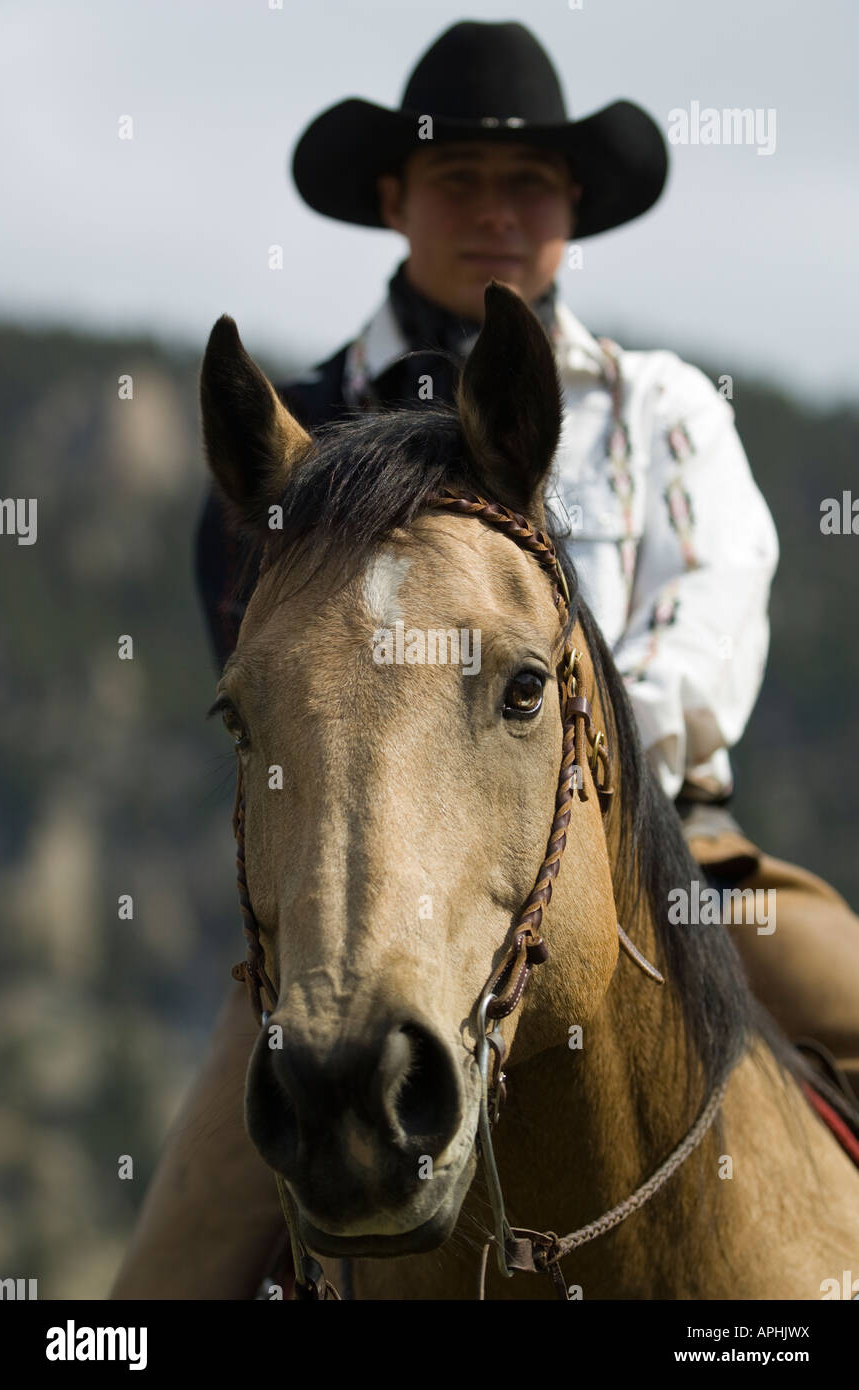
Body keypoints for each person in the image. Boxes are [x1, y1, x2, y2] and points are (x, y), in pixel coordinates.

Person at [111, 20, 859, 1299]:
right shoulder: (297, 438)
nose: (495, 211)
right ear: (394, 200)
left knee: (839, 994)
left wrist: (558, 733)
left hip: (671, 858)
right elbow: (286, 711)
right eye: (457, 180)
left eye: (528, 185)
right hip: (361, 883)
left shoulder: (666, 410)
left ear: (569, 210)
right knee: (158, 1286)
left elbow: (710, 626)